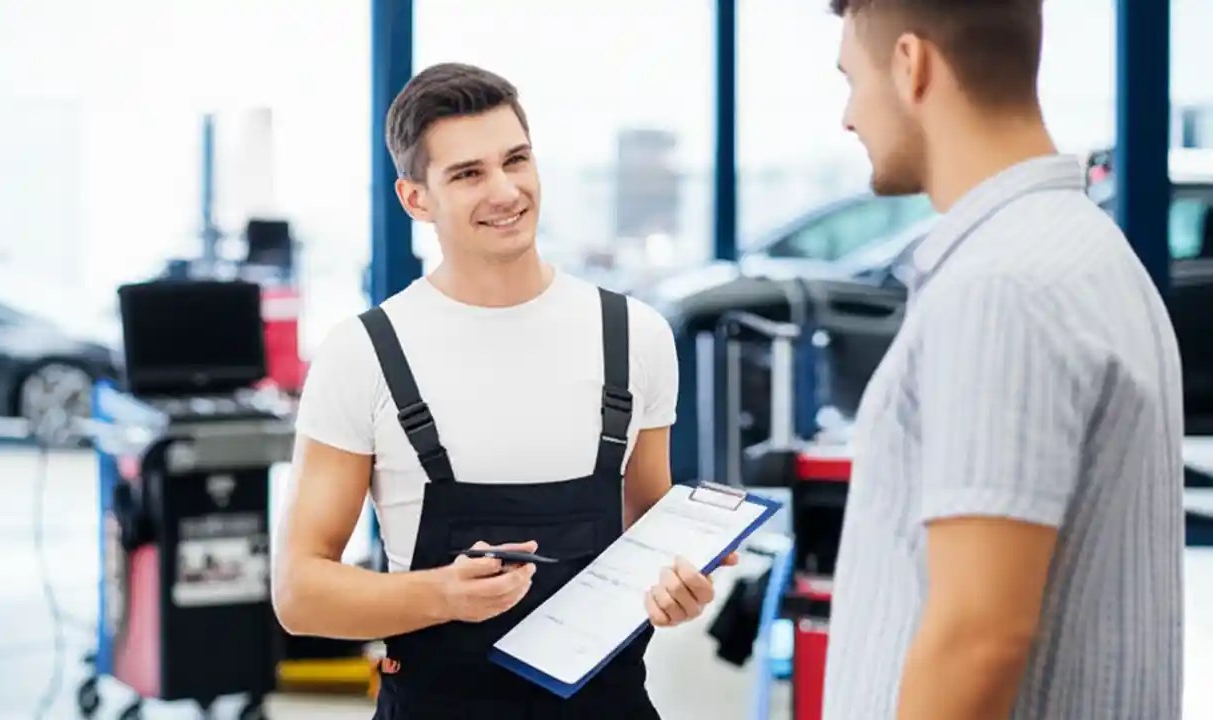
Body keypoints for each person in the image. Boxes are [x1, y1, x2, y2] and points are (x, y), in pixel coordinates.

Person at [271, 62, 734, 719]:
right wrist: (442, 596)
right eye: (468, 174)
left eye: (516, 160)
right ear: (416, 199)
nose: (506, 191)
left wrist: (681, 584)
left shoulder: (635, 336)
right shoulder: (364, 354)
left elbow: (649, 539)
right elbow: (299, 593)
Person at [822, 2, 1184, 719]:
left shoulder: (1001, 287)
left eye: (851, 81)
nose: (848, 117)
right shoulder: (1083, 250)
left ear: (911, 65)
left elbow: (977, 640)